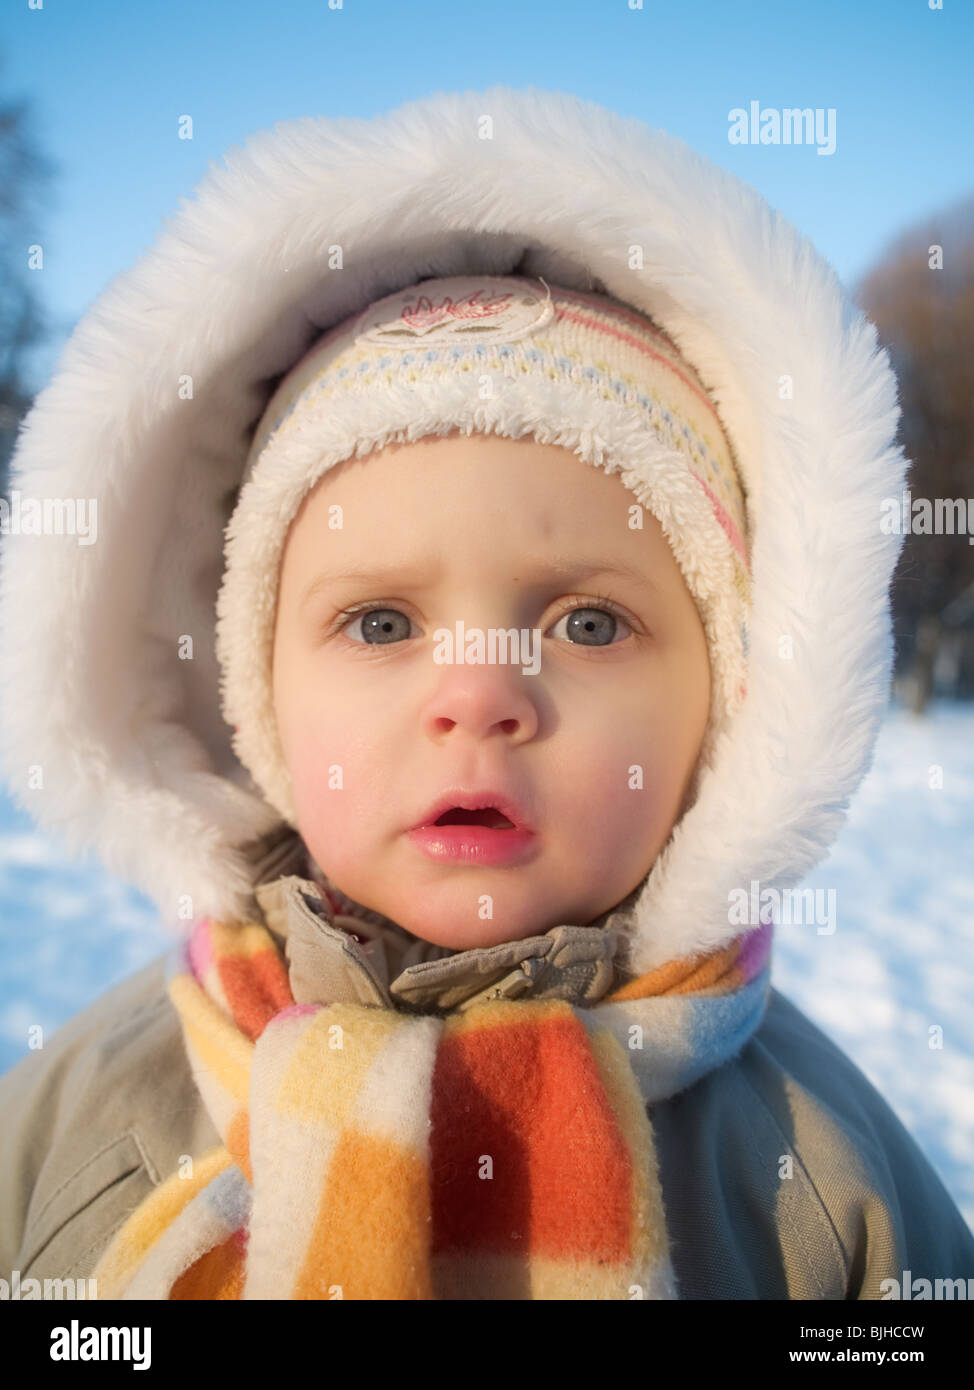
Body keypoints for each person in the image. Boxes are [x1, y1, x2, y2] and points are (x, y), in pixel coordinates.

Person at [0, 85, 971, 1301]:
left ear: (730, 711)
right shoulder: (77, 1121)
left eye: (587, 623)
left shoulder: (820, 1188)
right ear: (257, 702)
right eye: (380, 622)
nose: (477, 696)